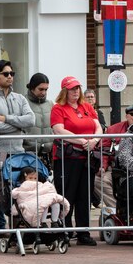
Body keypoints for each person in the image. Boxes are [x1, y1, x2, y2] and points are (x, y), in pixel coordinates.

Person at [0, 60, 34, 245]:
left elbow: (30, 120)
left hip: (17, 153)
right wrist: (18, 127)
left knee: (19, 194)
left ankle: (17, 237)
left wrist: (8, 119)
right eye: (6, 74)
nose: (10, 76)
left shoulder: (19, 98)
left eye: (12, 73)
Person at [50, 75, 100, 245]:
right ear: (65, 90)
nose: (76, 91)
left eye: (77, 88)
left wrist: (94, 140)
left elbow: (98, 126)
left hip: (87, 156)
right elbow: (59, 130)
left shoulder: (86, 106)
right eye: (72, 89)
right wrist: (82, 141)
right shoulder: (58, 108)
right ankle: (65, 229)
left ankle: (83, 232)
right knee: (67, 194)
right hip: (67, 157)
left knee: (85, 194)